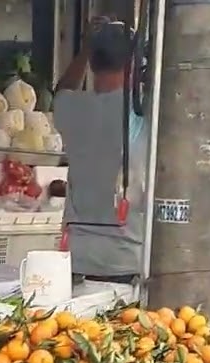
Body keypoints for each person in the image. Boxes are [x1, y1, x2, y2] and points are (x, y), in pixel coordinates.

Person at [53, 19, 143, 283]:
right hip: (126, 255)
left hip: (76, 255)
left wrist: (85, 49)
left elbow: (62, 89)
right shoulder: (140, 112)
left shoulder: (72, 108)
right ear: (134, 63)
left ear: (91, 64)